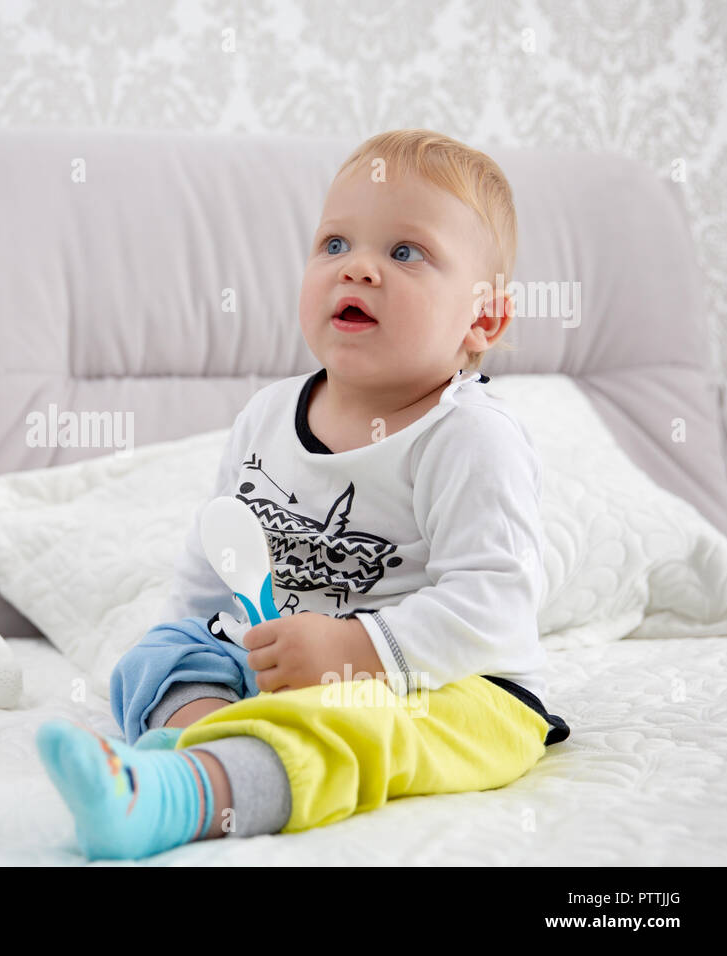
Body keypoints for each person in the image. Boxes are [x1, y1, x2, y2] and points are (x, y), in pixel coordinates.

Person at [36, 128, 570, 861]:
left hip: (448, 689)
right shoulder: (267, 414)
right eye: (334, 245)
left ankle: (178, 797)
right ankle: (193, 742)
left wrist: (359, 651)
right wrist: (202, 644)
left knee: (359, 732)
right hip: (289, 662)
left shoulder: (469, 437)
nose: (360, 269)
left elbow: (496, 604)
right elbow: (215, 555)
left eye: (405, 252)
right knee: (161, 653)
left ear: (483, 317)